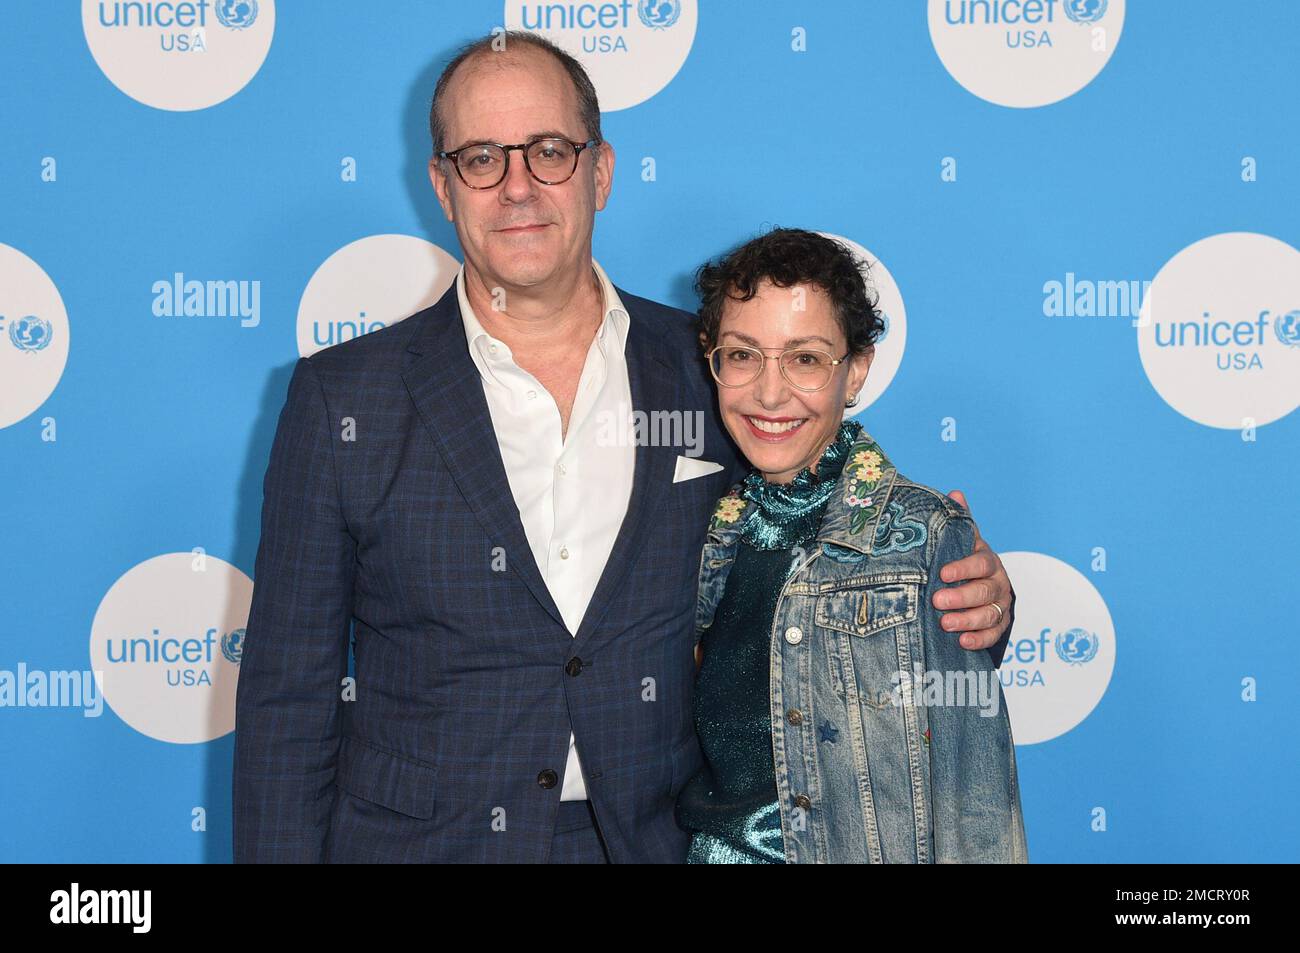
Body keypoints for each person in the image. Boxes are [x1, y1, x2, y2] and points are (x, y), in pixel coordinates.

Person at [232, 30, 1017, 864]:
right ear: (442, 184)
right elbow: (289, 696)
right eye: (481, 158)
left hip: (654, 842)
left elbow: (842, 553)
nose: (518, 187)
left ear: (601, 170)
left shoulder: (715, 369)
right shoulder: (343, 398)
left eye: (549, 151)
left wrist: (975, 596)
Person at [675, 228, 1027, 863]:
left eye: (805, 358)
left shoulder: (922, 540)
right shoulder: (706, 528)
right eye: (743, 354)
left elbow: (973, 799)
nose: (770, 392)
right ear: (713, 361)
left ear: (856, 369)